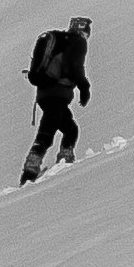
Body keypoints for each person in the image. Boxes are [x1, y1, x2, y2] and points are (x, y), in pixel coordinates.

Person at [20, 15, 91, 178]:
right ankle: (30, 170)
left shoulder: (60, 41)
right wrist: (84, 87)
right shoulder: (78, 42)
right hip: (57, 93)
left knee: (70, 129)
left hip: (45, 93)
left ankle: (64, 159)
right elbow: (75, 65)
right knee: (47, 131)